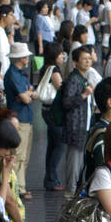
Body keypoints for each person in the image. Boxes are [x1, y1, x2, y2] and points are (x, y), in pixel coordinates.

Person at [3, 46, 37, 199]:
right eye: (25, 56)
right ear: (20, 58)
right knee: (19, 155)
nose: (28, 58)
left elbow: (30, 94)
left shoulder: (20, 74)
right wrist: (27, 94)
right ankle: (18, 188)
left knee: (25, 155)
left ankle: (20, 185)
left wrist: (27, 94)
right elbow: (27, 98)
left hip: (26, 117)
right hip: (19, 118)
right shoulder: (13, 75)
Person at [62, 45, 97, 193]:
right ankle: (71, 194)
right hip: (75, 128)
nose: (88, 61)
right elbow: (67, 102)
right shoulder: (73, 80)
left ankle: (75, 192)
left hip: (83, 127)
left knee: (79, 163)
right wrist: (83, 95)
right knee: (74, 164)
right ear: (75, 62)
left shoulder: (83, 78)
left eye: (89, 58)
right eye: (84, 59)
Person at [38, 43, 67, 192]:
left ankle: (49, 178)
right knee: (59, 146)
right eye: (61, 54)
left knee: (52, 145)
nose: (63, 56)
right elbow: (62, 90)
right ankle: (52, 179)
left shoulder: (45, 68)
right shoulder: (54, 70)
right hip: (54, 112)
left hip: (46, 110)